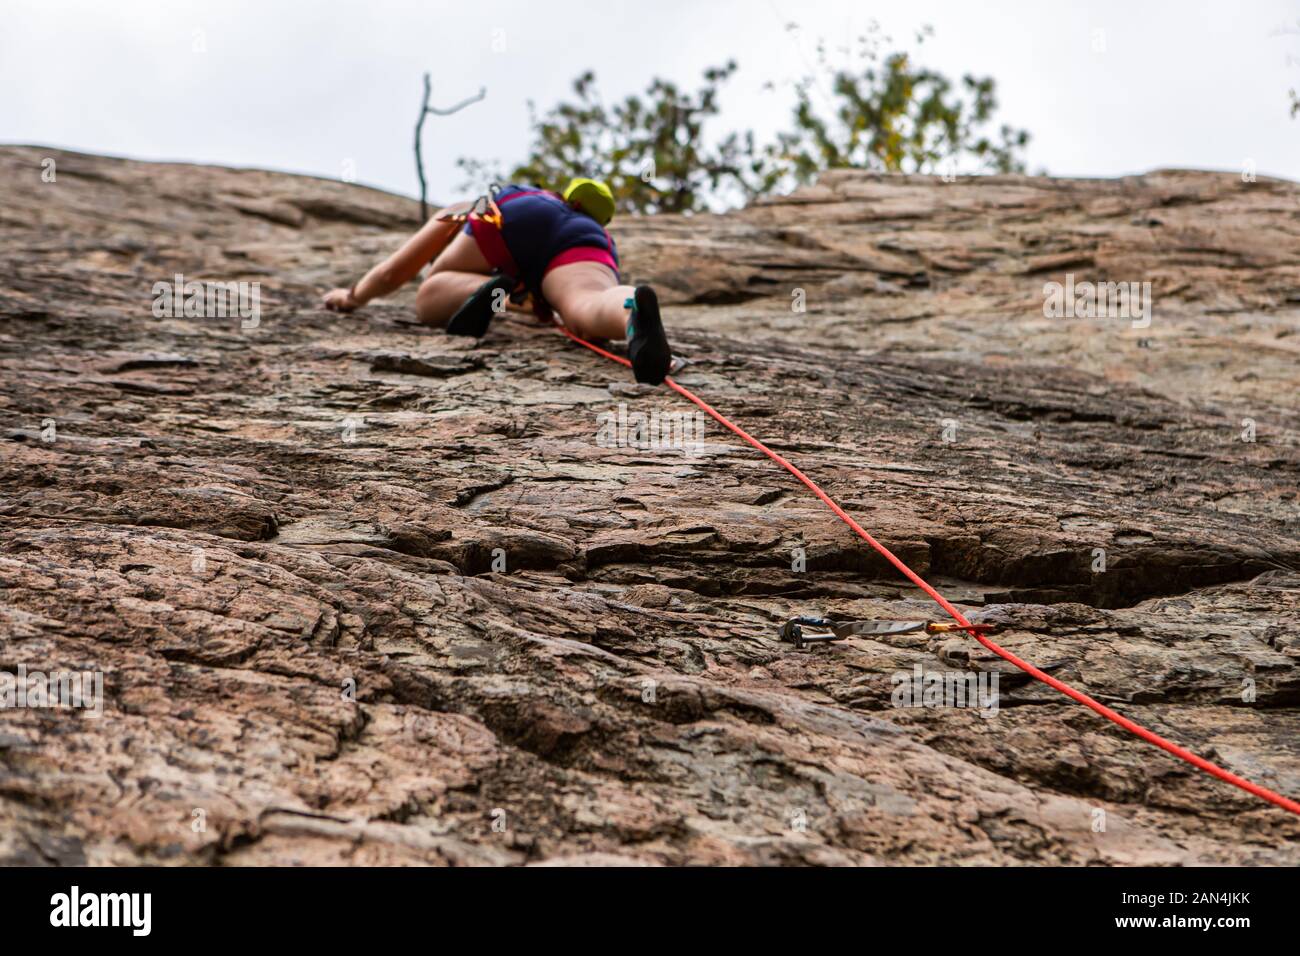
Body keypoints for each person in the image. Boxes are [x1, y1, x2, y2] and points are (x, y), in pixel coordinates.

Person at [323, 179, 672, 385]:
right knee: (587, 303)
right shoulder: (589, 228)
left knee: (433, 285)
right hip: (583, 244)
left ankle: (475, 290)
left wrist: (352, 297)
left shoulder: (505, 200)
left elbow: (393, 271)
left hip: (511, 218)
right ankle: (631, 311)